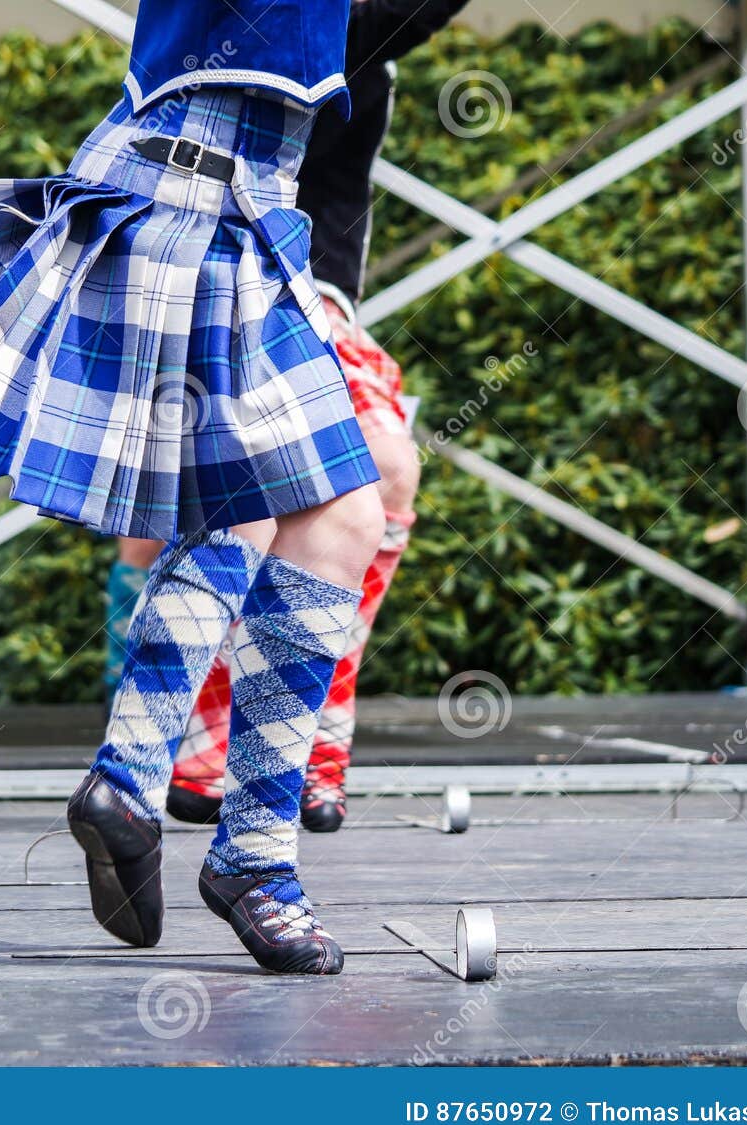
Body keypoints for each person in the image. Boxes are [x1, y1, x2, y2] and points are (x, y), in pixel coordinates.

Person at [0, 0, 381, 973]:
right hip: (201, 197)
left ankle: (157, 793)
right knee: (304, 509)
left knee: (309, 514)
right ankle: (235, 843)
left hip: (220, 200)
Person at [108, 0, 470, 834]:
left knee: (381, 468)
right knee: (182, 511)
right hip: (193, 267)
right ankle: (151, 750)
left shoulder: (355, 30)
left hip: (306, 291)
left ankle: (298, 746)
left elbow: (401, 17)